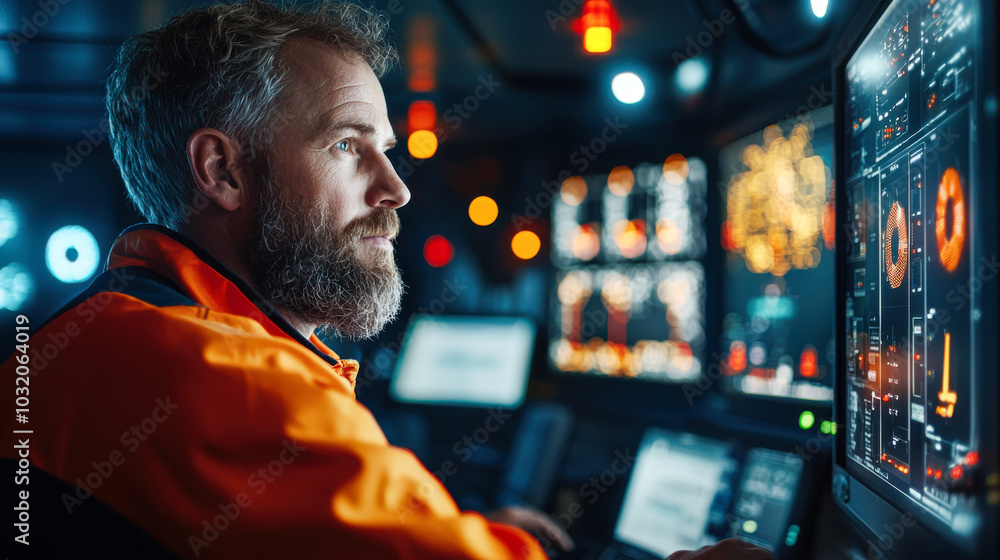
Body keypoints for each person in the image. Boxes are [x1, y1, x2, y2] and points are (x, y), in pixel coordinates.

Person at [2, 2, 774, 559]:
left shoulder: (118, 329)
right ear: (222, 170)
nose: (396, 190)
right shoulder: (205, 371)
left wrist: (470, 533)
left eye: (388, 149)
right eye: (348, 145)